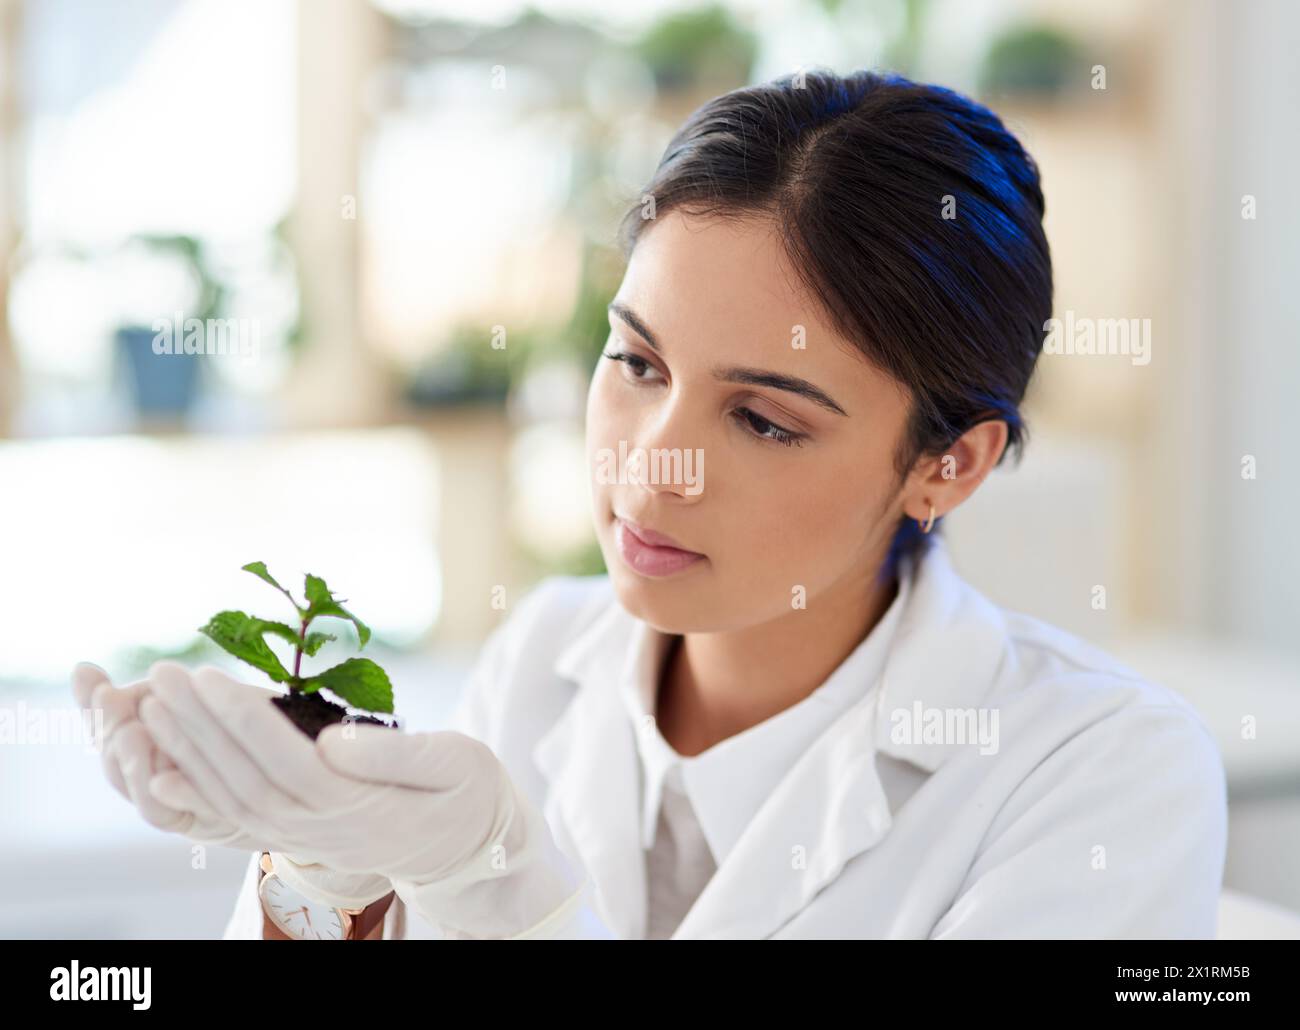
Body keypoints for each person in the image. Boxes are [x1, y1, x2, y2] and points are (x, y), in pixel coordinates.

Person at [72, 69, 1227, 939]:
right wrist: (322, 890)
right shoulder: (543, 656)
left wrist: (495, 879)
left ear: (950, 463)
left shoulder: (1103, 772)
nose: (652, 464)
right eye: (634, 363)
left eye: (764, 419)